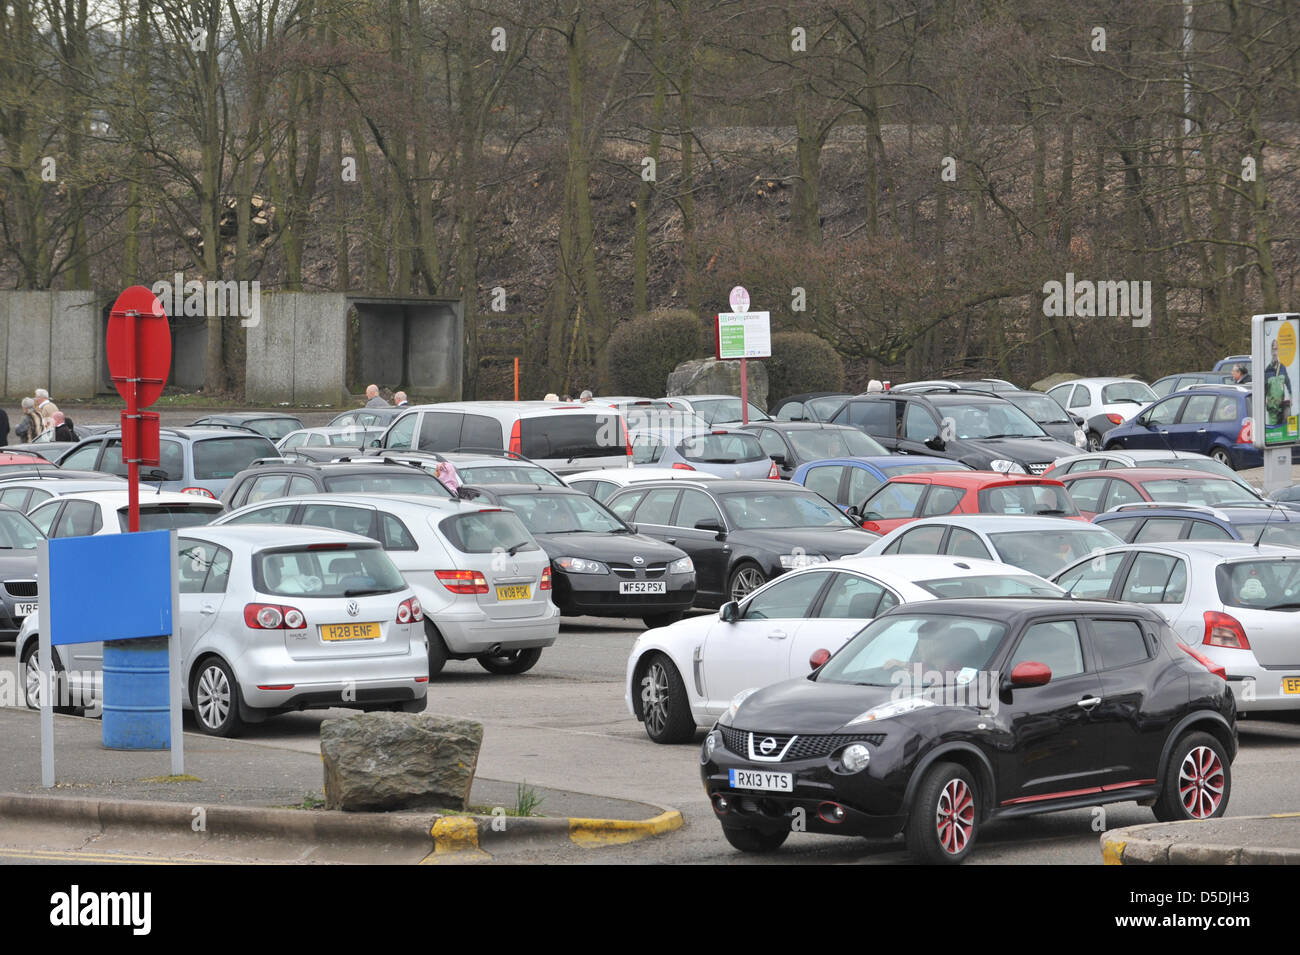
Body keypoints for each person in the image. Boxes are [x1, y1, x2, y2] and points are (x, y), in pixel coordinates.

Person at [1264, 338, 1293, 427]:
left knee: (1284, 428)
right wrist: (1264, 400)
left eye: (1276, 349)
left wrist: (1291, 395)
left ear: (1278, 350)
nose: (1275, 352)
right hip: (1272, 408)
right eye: (1273, 349)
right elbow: (1264, 388)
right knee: (1274, 429)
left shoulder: (1282, 368)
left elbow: (1288, 382)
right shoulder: (1267, 370)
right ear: (1271, 351)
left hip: (1282, 405)